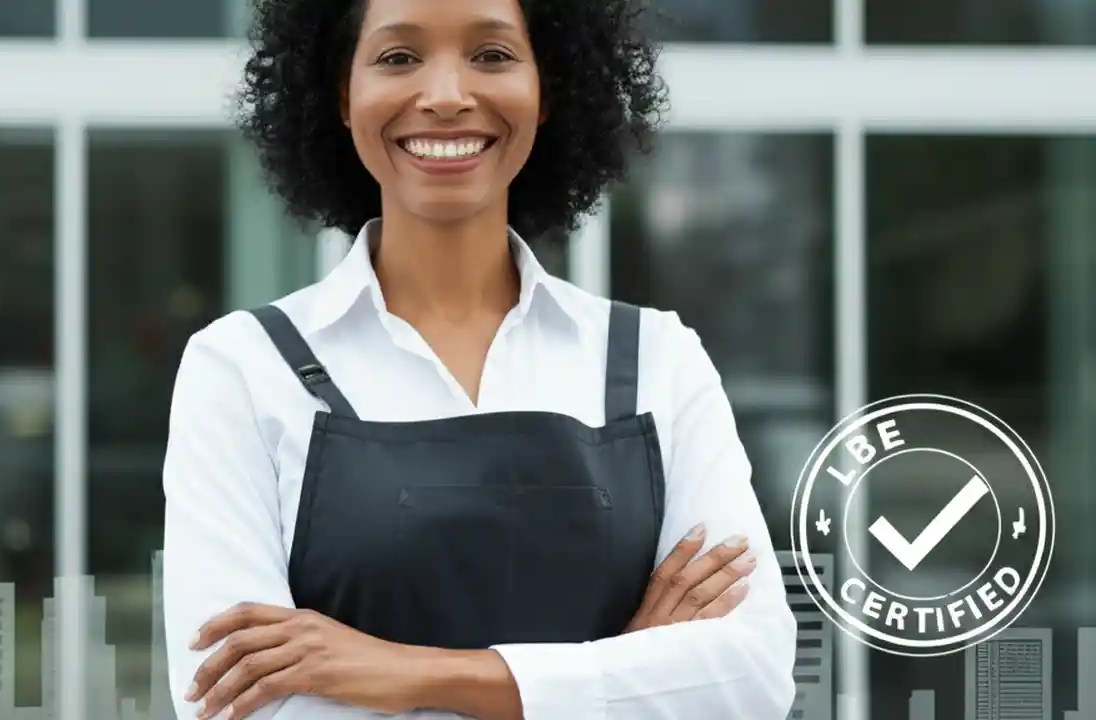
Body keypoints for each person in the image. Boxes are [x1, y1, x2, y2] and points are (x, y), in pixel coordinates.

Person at [161, 0, 798, 718]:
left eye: (492, 56)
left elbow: (751, 678)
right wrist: (620, 674)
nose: (445, 96)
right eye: (398, 58)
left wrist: (408, 673)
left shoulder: (658, 359)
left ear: (547, 89)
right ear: (343, 95)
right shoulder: (243, 369)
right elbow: (234, 703)